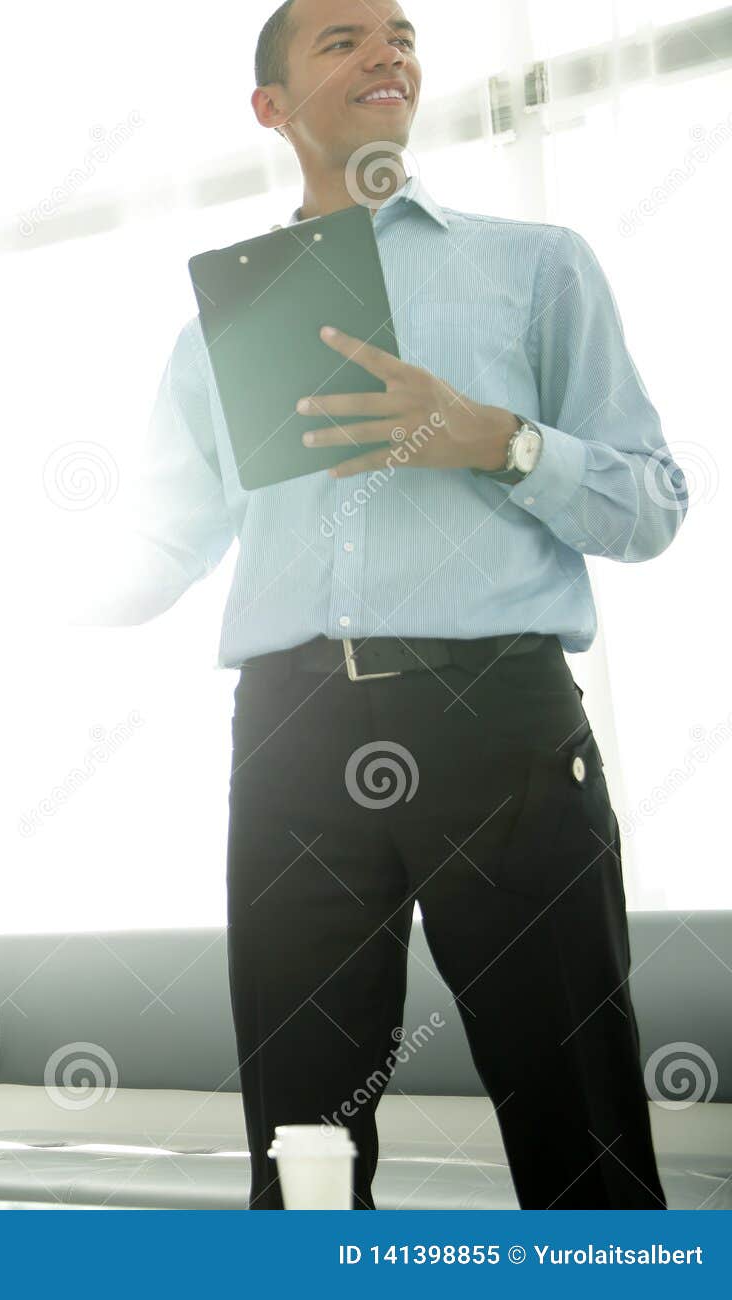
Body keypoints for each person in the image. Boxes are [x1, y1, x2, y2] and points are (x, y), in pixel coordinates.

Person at [89, 0, 684, 1209]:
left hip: (498, 722)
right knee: (300, 1138)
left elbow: (653, 505)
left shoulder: (535, 262)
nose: (387, 54)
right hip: (291, 732)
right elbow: (155, 553)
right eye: (344, 39)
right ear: (270, 106)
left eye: (401, 34)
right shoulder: (224, 324)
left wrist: (493, 439)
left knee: (579, 1124)